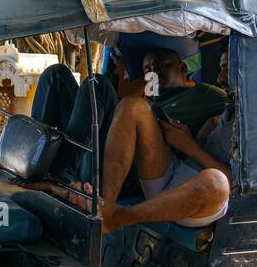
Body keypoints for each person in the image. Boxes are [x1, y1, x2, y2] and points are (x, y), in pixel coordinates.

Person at [29, 46, 232, 234]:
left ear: (183, 68)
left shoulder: (206, 94)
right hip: (107, 155)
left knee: (98, 85)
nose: (155, 72)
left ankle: (64, 176)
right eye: (148, 69)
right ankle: (33, 158)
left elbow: (228, 106)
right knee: (56, 74)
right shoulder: (149, 99)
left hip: (132, 170)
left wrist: (185, 142)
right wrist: (149, 99)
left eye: (163, 65)